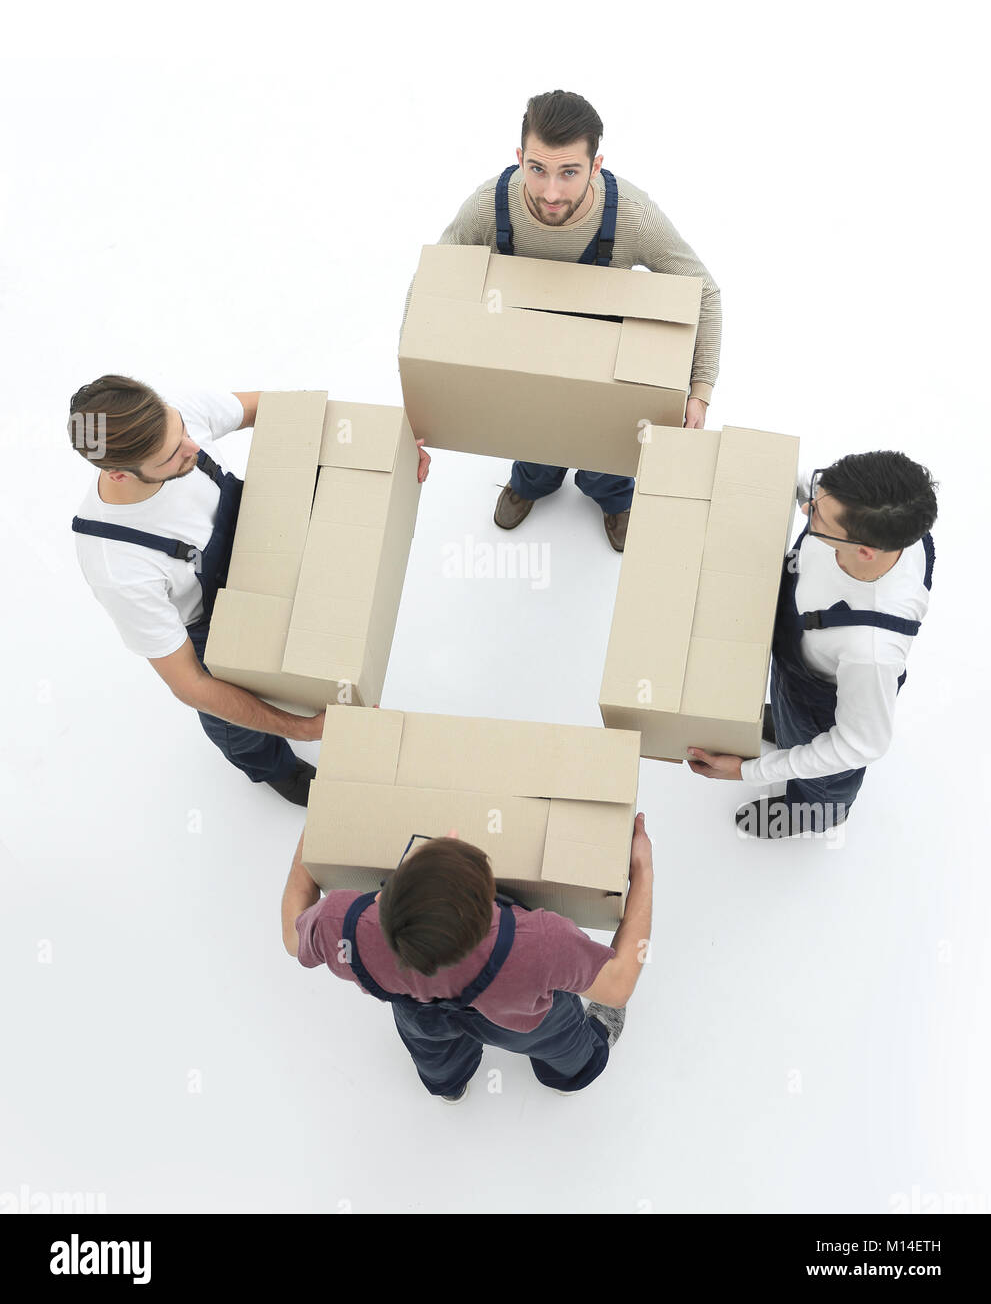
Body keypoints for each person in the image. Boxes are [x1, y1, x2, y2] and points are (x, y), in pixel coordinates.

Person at [68, 376, 431, 806]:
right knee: (241, 732)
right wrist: (303, 729)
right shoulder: (118, 564)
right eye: (172, 455)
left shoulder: (172, 415)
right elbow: (191, 684)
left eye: (183, 429)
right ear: (118, 474)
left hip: (269, 545)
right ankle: (275, 769)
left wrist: (390, 448)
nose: (192, 446)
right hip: (212, 627)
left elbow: (285, 413)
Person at [402, 89, 721, 551]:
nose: (551, 192)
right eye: (537, 169)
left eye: (569, 172)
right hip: (527, 359)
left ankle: (613, 499)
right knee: (533, 443)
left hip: (606, 368)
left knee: (609, 457)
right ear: (520, 158)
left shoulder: (632, 215)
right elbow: (429, 285)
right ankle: (532, 483)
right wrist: (417, 400)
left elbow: (705, 291)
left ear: (596, 166)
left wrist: (700, 390)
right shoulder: (490, 206)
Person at [282, 816, 654, 1099]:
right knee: (561, 1041)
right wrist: (642, 872)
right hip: (519, 1013)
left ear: (383, 899)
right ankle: (571, 1073)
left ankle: (449, 1085)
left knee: (434, 1054)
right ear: (491, 909)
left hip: (417, 1012)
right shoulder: (539, 943)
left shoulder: (343, 924)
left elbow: (290, 936)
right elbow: (618, 986)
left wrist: (311, 838)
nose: (453, 835)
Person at [686, 451, 938, 839]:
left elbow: (859, 745)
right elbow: (808, 488)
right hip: (797, 665)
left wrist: (747, 772)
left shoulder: (870, 651)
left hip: (821, 706)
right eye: (817, 493)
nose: (807, 506)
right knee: (787, 719)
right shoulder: (873, 514)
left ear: (865, 551)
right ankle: (787, 728)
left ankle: (813, 816)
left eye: (817, 513)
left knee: (822, 787)